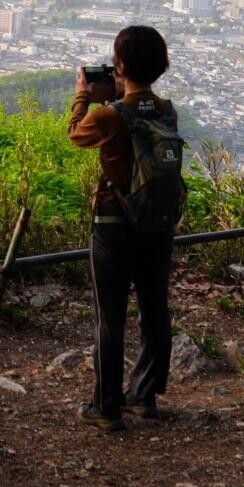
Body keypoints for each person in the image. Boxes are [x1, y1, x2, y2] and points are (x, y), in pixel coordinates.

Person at [66, 24, 182, 430]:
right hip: (158, 225)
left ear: (119, 65)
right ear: (161, 66)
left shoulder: (108, 116)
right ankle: (144, 395)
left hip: (114, 226)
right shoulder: (168, 111)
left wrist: (84, 93)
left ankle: (106, 407)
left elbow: (75, 135)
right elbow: (141, 112)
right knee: (154, 309)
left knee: (109, 316)